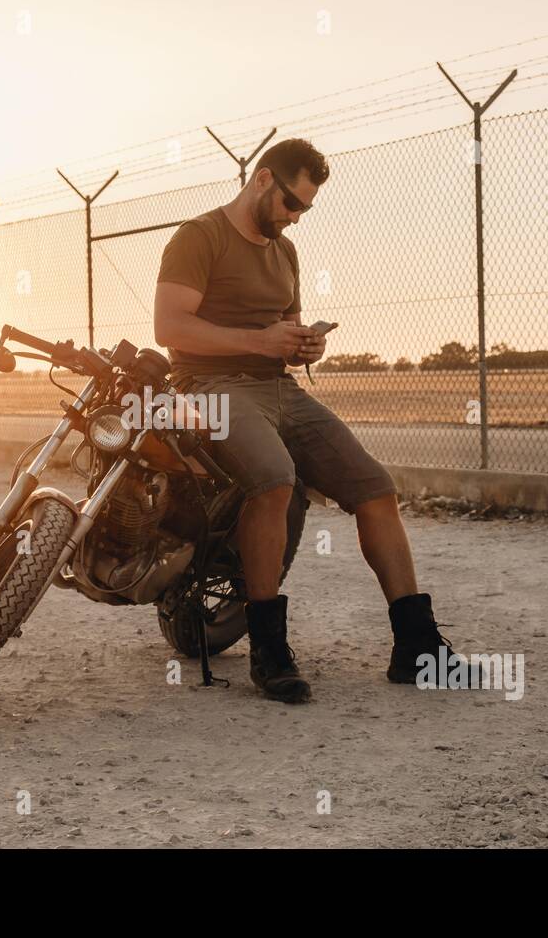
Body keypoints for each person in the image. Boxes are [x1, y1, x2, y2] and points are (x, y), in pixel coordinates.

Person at [153, 137, 480, 703]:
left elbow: (286, 332)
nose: (296, 217)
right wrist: (259, 342)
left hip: (278, 387)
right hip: (207, 388)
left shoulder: (285, 252)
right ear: (262, 179)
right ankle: (269, 651)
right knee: (274, 478)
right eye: (292, 203)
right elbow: (170, 328)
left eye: (306, 208)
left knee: (376, 488)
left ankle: (415, 648)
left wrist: (306, 346)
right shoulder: (199, 236)